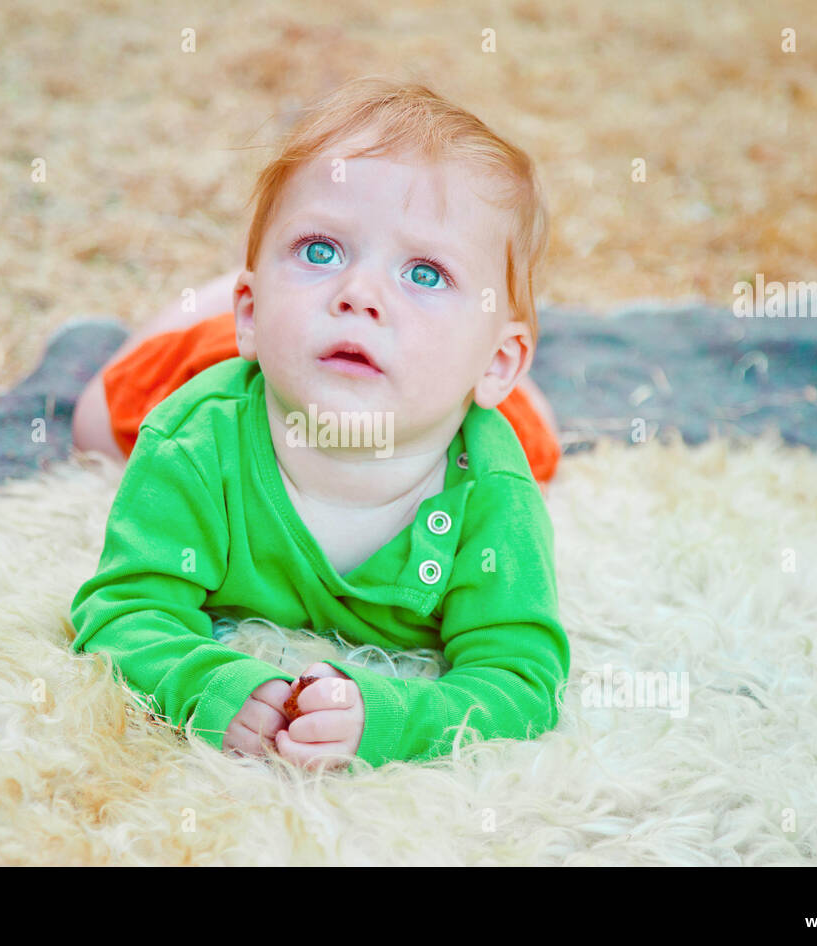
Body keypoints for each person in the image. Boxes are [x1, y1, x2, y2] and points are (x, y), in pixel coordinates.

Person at [68, 76, 571, 772]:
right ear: (251, 314)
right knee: (95, 423)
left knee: (545, 443)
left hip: (453, 395)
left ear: (498, 361)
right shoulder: (193, 439)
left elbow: (518, 682)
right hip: (236, 362)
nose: (358, 293)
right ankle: (213, 304)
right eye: (321, 251)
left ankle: (482, 364)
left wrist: (396, 720)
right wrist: (204, 683)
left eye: (425, 274)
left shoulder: (492, 491)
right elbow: (124, 612)